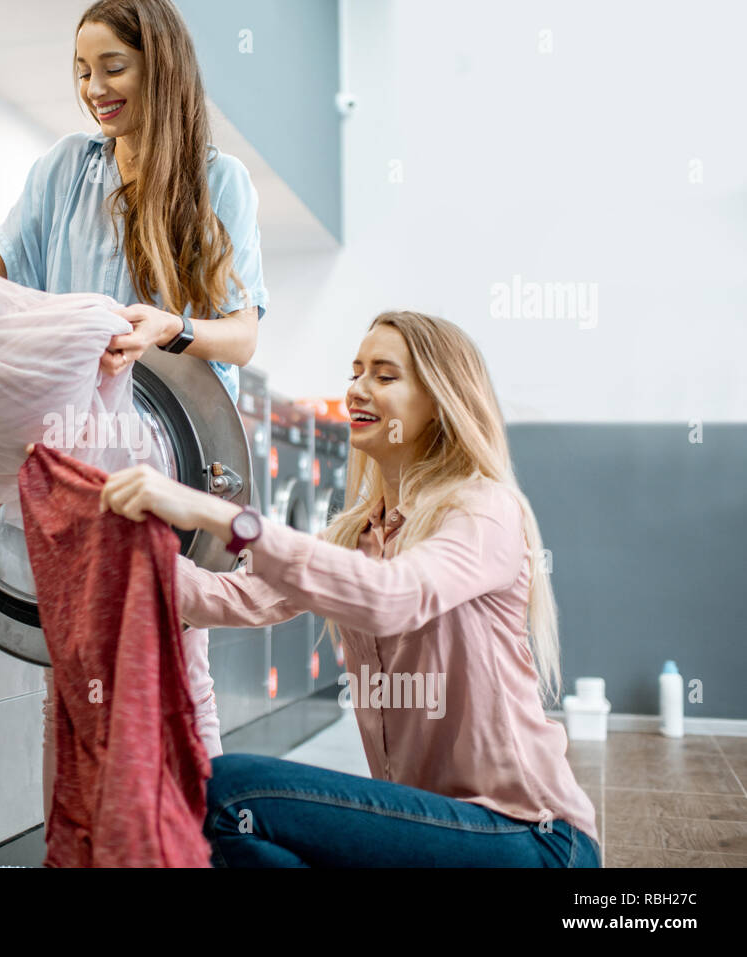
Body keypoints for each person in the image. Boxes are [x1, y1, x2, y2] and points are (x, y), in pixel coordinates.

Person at [98, 311, 601, 867]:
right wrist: (115, 544)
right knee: (222, 822)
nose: (358, 389)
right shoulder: (358, 535)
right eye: (355, 372)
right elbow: (234, 598)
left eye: (385, 375)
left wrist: (219, 516)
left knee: (231, 793)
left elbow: (391, 598)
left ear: (440, 402)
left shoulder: (482, 509)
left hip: (531, 838)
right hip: (428, 833)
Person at [0, 0, 269, 824]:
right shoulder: (65, 169)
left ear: (160, 67)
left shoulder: (218, 181)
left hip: (173, 463)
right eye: (83, 71)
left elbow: (243, 336)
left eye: (113, 67)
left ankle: (194, 836)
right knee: (75, 670)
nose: (94, 88)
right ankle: (86, 839)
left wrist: (169, 327)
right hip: (73, 460)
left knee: (175, 666)